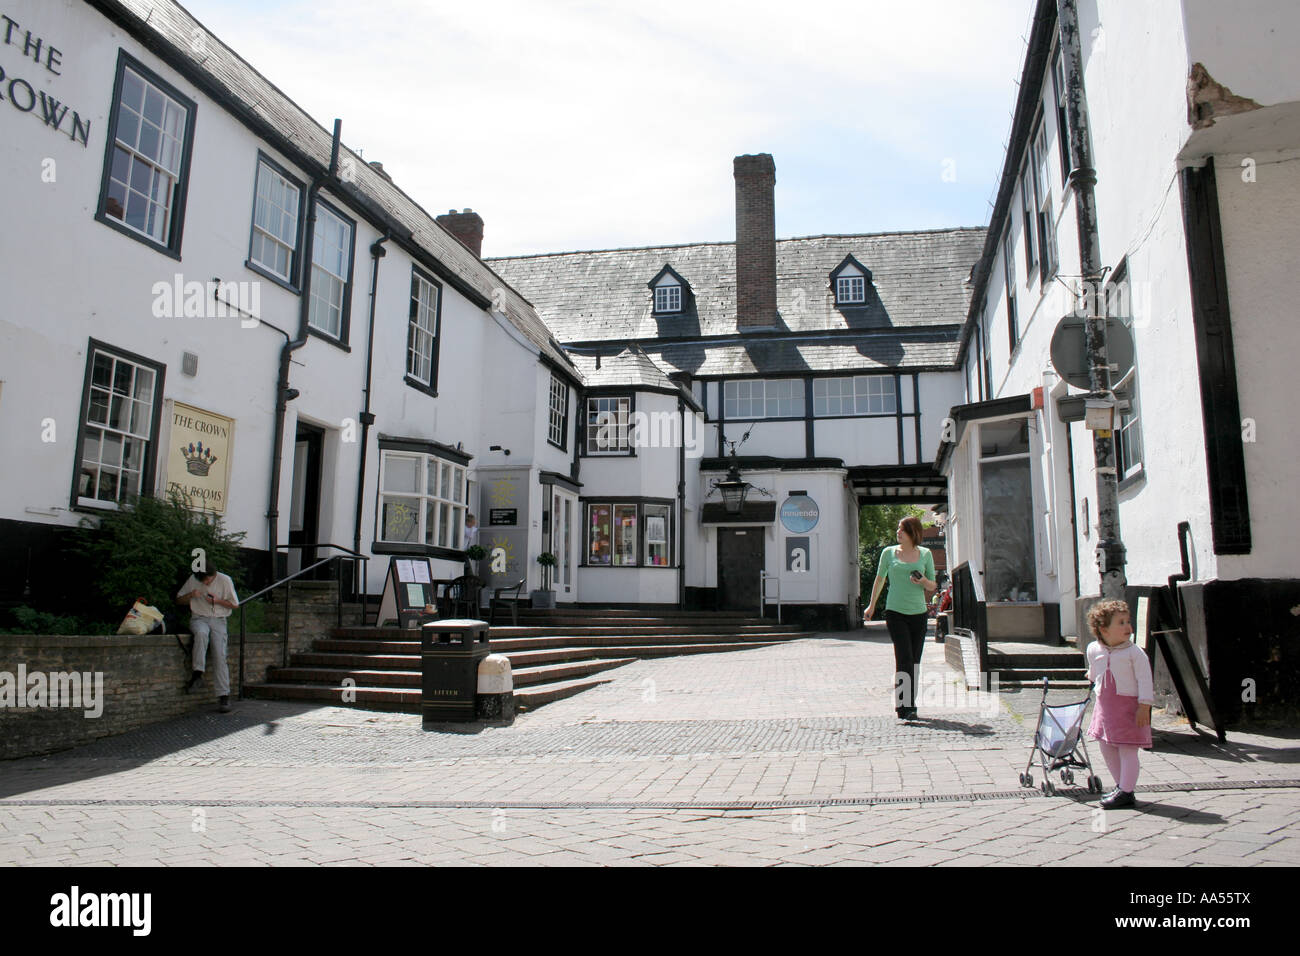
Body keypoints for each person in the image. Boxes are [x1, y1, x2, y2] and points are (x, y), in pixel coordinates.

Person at [863, 516, 936, 720]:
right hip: (895, 612)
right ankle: (905, 706)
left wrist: (922, 581)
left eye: (902, 529)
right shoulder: (888, 553)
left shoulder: (925, 554)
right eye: (898, 529)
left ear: (912, 533)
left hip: (918, 614)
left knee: (914, 661)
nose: (898, 532)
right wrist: (871, 605)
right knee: (903, 657)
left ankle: (909, 704)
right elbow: (880, 579)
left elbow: (933, 586)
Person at [1085, 599, 1153, 809]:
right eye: (1121, 623)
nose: (1128, 627)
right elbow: (1094, 672)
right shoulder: (1094, 649)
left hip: (1128, 708)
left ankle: (1126, 791)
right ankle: (1121, 784)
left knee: (1127, 748)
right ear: (1103, 629)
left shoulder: (1134, 653)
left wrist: (1144, 705)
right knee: (1106, 746)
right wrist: (1092, 676)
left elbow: (1145, 679)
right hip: (1105, 708)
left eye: (1128, 622)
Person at [177, 564, 240, 713]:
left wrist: (217, 601)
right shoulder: (194, 579)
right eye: (203, 581)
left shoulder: (225, 580)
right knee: (201, 634)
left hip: (218, 619)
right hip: (199, 618)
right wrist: (191, 595)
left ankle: (224, 695)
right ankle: (198, 672)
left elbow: (234, 605)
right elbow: (179, 600)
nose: (205, 583)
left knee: (219, 654)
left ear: (214, 575)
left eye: (207, 580)